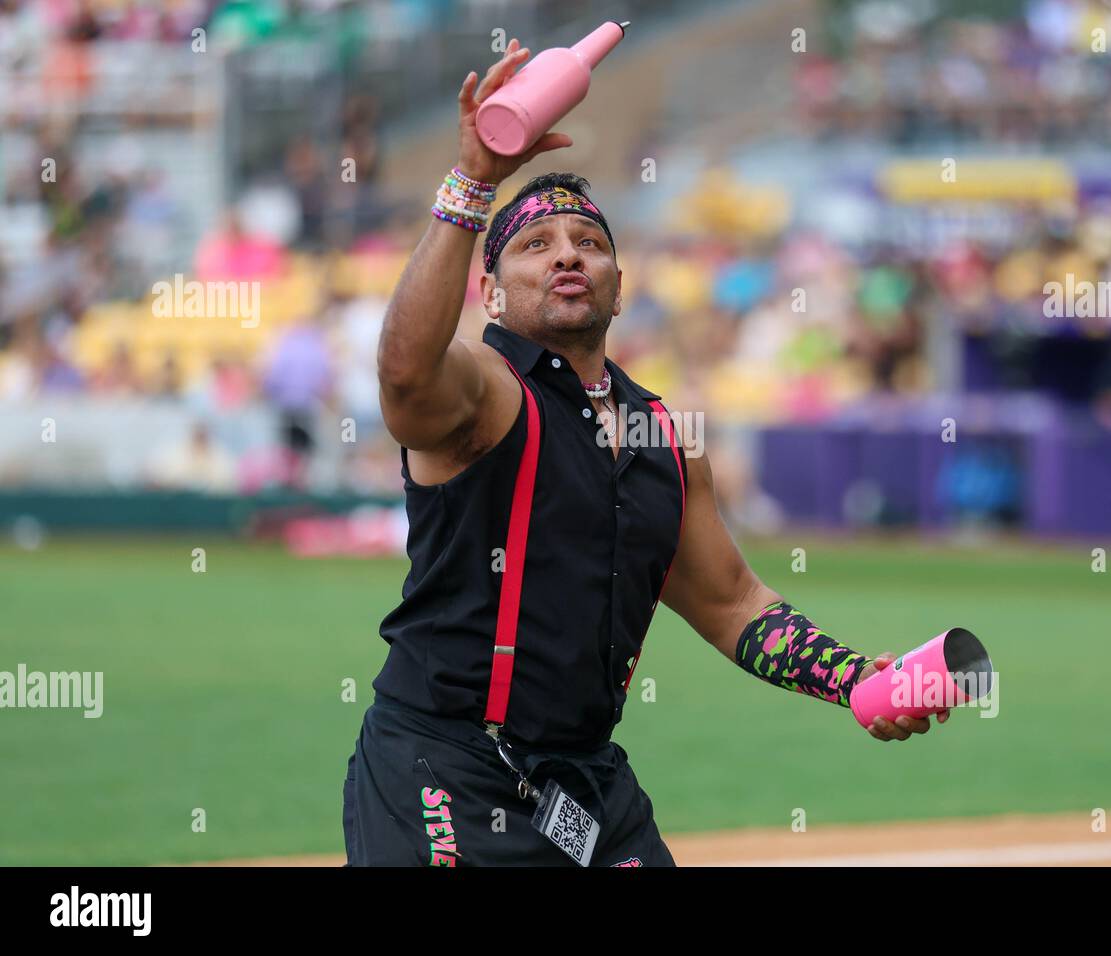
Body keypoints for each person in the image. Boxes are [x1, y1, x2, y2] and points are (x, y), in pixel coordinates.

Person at [342, 38, 948, 868]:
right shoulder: (484, 389)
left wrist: (850, 679)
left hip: (584, 783)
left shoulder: (662, 432)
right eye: (535, 244)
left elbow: (732, 602)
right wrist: (474, 184)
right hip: (439, 768)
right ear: (490, 292)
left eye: (588, 242)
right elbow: (405, 376)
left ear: (619, 285)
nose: (566, 254)